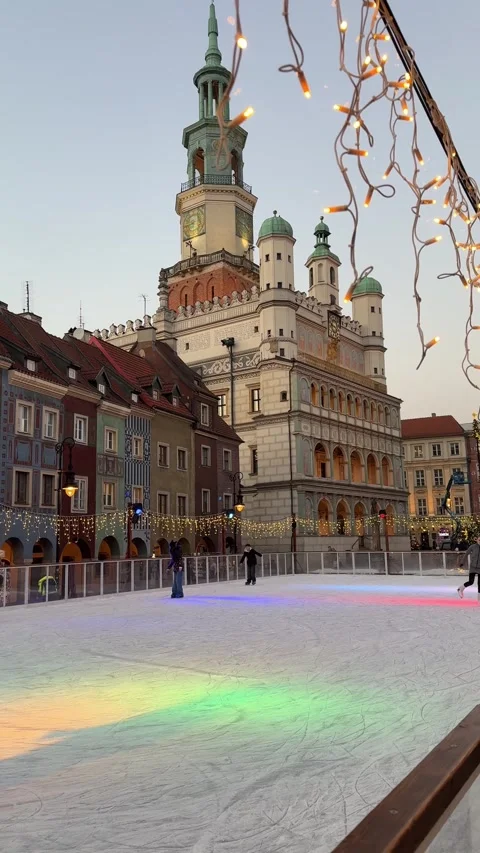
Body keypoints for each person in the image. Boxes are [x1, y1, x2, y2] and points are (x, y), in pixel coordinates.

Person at [457, 536, 480, 601]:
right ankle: (460, 589)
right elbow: (466, 554)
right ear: (477, 540)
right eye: (479, 540)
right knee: (471, 582)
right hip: (473, 567)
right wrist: (462, 562)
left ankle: (479, 599)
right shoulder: (472, 547)